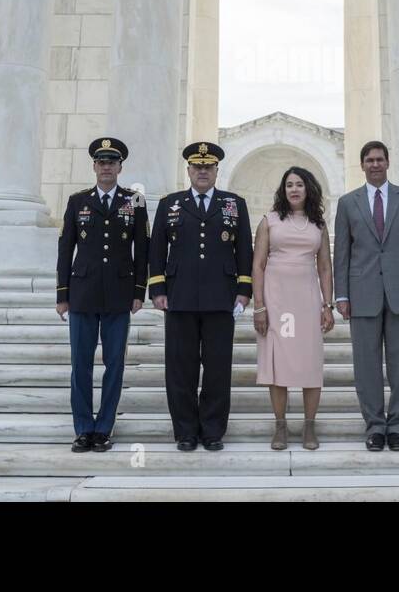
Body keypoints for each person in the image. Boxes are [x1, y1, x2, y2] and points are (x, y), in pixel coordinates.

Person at [148, 141, 253, 451]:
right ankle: (184, 431)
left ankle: (212, 431)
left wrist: (244, 290)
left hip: (221, 298)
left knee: (218, 367)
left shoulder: (234, 203)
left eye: (208, 167)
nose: (203, 171)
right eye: (197, 166)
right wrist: (158, 289)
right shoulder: (171, 204)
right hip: (179, 298)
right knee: (180, 367)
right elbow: (156, 250)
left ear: (217, 170)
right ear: (189, 170)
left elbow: (244, 249)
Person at [333, 140, 399, 451]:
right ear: (362, 165)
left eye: (380, 159)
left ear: (388, 163)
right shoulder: (348, 203)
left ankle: (398, 426)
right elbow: (342, 256)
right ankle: (375, 426)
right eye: (369, 160)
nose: (375, 164)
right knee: (366, 365)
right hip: (362, 294)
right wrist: (342, 295)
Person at [55, 137, 148, 453]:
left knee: (114, 365)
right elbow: (66, 247)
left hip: (119, 294)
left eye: (112, 162)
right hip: (82, 293)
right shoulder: (77, 201)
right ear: (94, 166)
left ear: (120, 167)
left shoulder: (134, 201)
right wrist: (62, 294)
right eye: (101, 161)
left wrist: (139, 291)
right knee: (80, 364)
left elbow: (143, 250)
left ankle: (104, 427)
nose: (106, 167)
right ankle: (83, 428)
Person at [252, 166, 334, 450]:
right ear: (283, 190)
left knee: (310, 363)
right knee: (279, 365)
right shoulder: (269, 221)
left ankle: (309, 427)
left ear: (308, 188)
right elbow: (258, 265)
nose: (294, 189)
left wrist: (328, 305)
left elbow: (324, 266)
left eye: (299, 184)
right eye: (289, 185)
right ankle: (281, 426)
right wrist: (259, 307)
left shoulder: (319, 225)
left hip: (308, 301)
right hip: (277, 302)